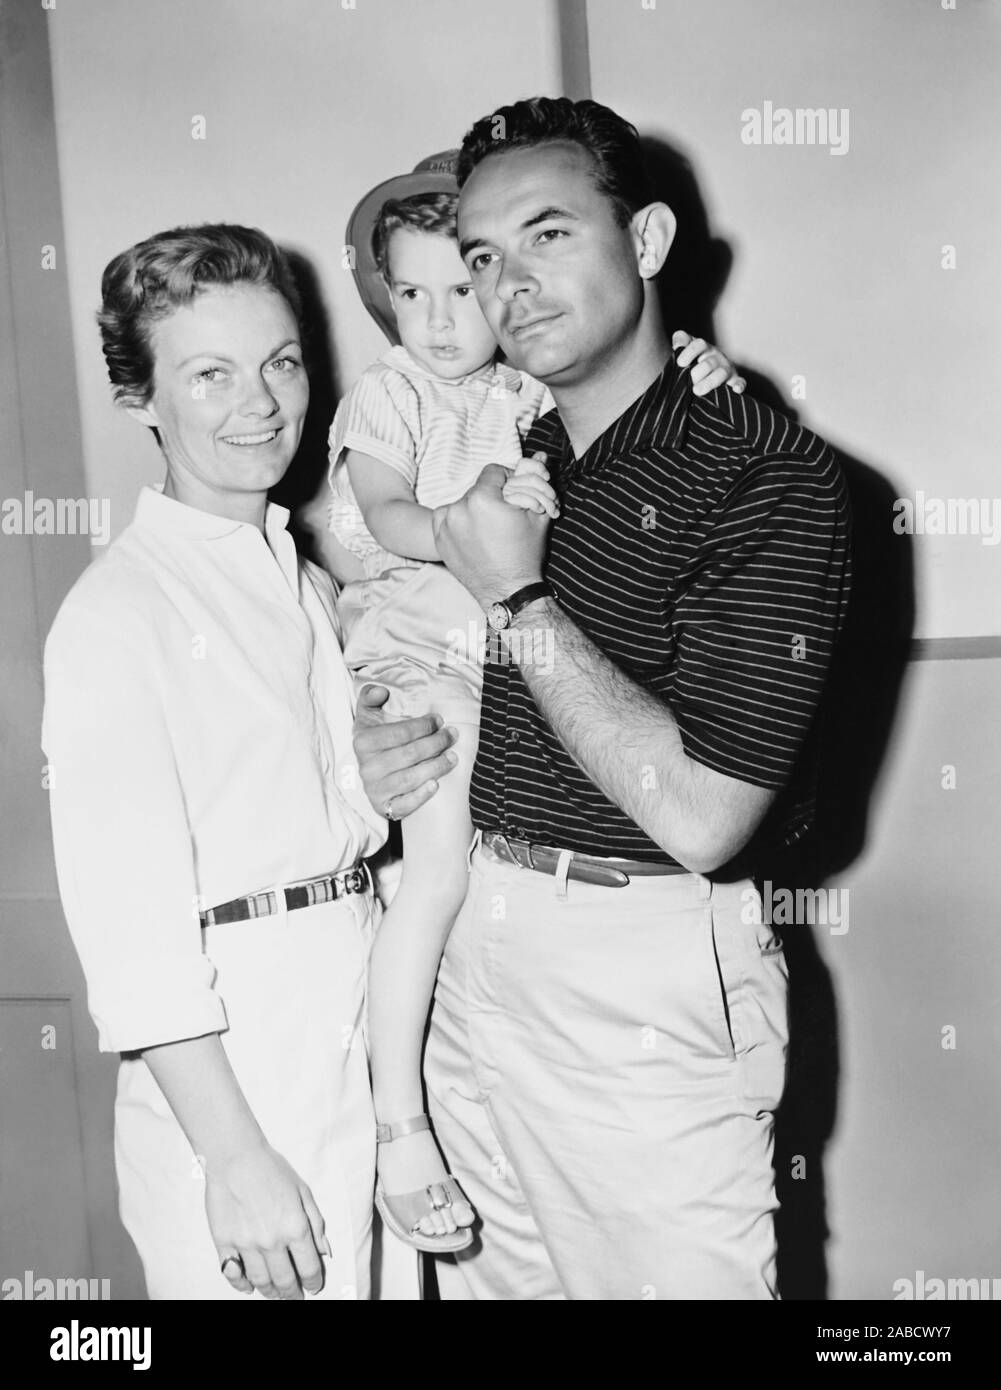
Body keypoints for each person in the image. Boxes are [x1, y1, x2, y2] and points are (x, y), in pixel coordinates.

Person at [353, 97, 852, 1300]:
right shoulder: (502, 454)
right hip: (467, 941)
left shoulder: (764, 476)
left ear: (646, 241)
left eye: (547, 235)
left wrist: (518, 600)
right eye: (480, 255)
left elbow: (702, 816)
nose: (504, 282)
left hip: (635, 968)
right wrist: (386, 750)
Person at [318, 157, 743, 1252]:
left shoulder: (524, 391)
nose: (440, 315)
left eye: (460, 288)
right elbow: (383, 510)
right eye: (410, 294)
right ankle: (397, 1119)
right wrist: (470, 528)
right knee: (439, 870)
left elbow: (631, 399)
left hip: (502, 671)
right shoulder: (389, 392)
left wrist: (701, 362)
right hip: (422, 658)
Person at [42, 224, 388, 1300]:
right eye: (210, 375)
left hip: (362, 1037)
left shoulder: (305, 578)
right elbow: (131, 938)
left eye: (281, 361)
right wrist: (233, 1159)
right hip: (242, 1079)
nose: (262, 402)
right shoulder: (118, 614)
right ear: (141, 398)